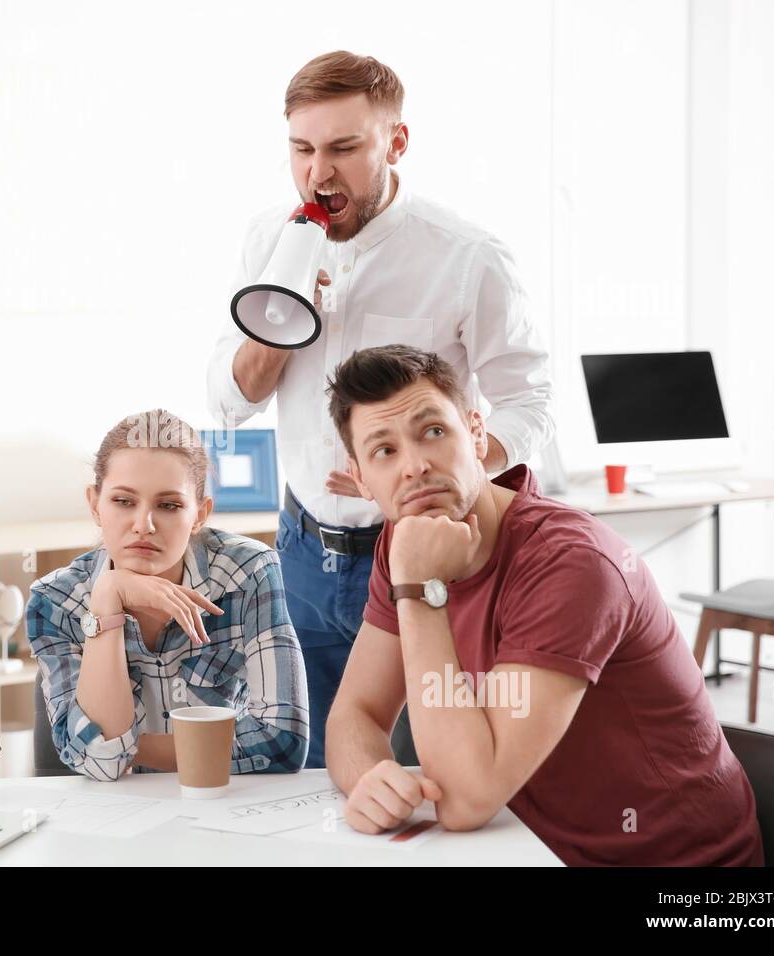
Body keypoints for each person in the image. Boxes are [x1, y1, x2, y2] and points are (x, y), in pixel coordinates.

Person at [207, 50, 554, 768]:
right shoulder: (269, 238)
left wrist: (433, 479)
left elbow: (530, 403)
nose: (317, 174)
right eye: (301, 150)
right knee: (320, 762)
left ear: (396, 143)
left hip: (433, 551)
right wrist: (284, 307)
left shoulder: (468, 257)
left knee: (445, 767)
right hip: (304, 549)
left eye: (343, 148)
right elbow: (229, 401)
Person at [323, 344, 763, 866]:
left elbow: (466, 800)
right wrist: (372, 777)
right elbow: (356, 714)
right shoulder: (404, 541)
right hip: (527, 846)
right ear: (359, 477)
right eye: (384, 451)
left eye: (433, 432)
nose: (416, 466)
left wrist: (419, 590)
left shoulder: (571, 563)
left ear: (477, 434)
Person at [27, 409, 309, 780]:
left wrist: (127, 748)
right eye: (124, 501)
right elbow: (102, 763)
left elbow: (282, 741)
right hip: (115, 817)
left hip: (220, 803)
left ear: (199, 514)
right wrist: (107, 596)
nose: (143, 525)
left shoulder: (249, 572)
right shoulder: (55, 601)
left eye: (169, 505)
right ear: (95, 504)